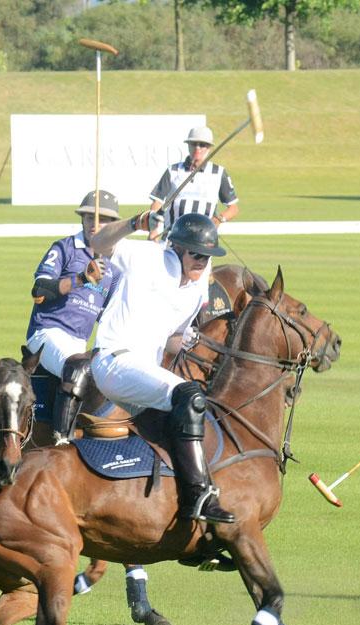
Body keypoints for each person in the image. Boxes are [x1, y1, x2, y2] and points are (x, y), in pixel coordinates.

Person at [88, 211, 235, 524]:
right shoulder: (148, 257)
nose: (202, 261)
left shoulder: (195, 290)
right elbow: (98, 242)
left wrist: (199, 344)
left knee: (198, 404)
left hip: (141, 371)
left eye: (208, 256)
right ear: (178, 248)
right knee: (189, 397)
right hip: (114, 360)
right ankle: (199, 497)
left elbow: (172, 340)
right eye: (196, 254)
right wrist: (135, 223)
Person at [24, 189, 121, 444]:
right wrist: (81, 278)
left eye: (103, 220)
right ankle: (62, 439)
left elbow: (111, 318)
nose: (95, 224)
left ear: (114, 225)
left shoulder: (115, 269)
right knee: (78, 368)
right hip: (46, 333)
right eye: (89, 217)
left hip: (78, 343)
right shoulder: (65, 248)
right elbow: (39, 291)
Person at [149, 126, 239, 233]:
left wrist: (219, 219)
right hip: (172, 236)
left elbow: (233, 208)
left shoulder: (218, 173)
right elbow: (157, 202)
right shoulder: (173, 170)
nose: (197, 148)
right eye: (194, 144)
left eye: (202, 145)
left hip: (203, 238)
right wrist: (154, 229)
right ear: (188, 145)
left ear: (209, 148)